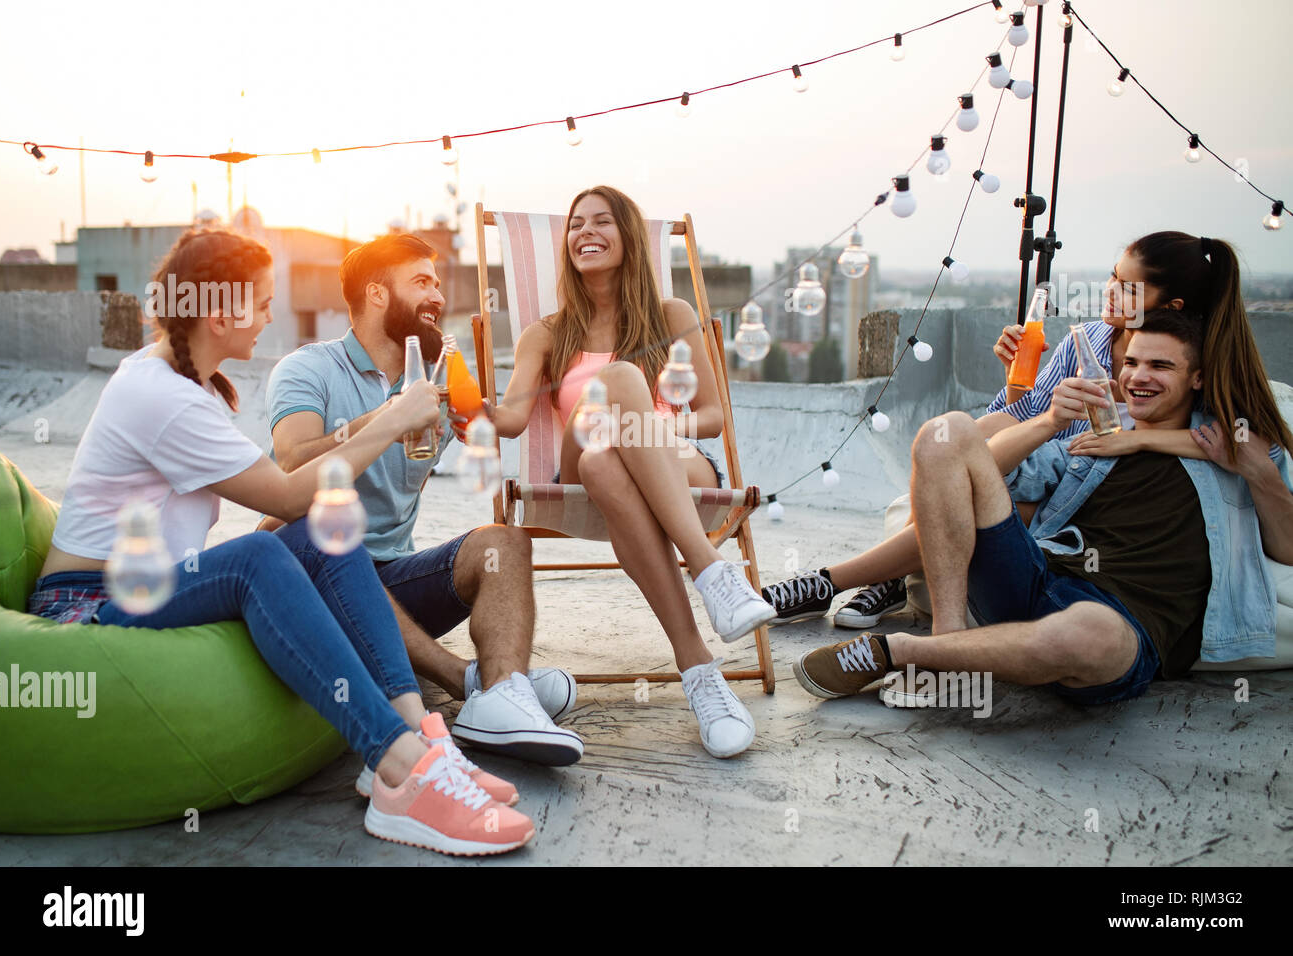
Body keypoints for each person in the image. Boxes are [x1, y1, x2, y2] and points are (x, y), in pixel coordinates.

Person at [27, 226, 534, 856]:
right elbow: (290, 490)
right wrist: (395, 417)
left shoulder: (190, 386)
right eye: (263, 301)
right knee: (262, 551)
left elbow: (303, 503)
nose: (272, 313)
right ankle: (399, 767)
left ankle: (417, 741)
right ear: (219, 312)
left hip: (148, 582)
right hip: (87, 602)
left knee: (322, 529)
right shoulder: (161, 395)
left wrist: (398, 413)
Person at [762, 232, 1293, 629]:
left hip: (1093, 490)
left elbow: (1245, 441)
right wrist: (1014, 380)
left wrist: (1138, 437)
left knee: (995, 500)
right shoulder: (1086, 340)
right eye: (1111, 276)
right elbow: (1019, 414)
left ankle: (849, 580)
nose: (1109, 292)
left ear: (1170, 306)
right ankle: (872, 580)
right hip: (1055, 464)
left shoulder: (1189, 361)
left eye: (1127, 287)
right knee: (963, 443)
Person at [793, 310, 1293, 704]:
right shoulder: (1099, 434)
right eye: (1132, 363)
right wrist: (1051, 419)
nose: (1139, 377)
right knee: (944, 434)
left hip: (1124, 623)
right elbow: (978, 471)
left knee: (1089, 632)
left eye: (1160, 366)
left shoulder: (1236, 448)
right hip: (1036, 576)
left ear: (1199, 378)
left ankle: (908, 653)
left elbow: (1287, 547)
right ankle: (948, 649)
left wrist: (1260, 473)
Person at [478, 185, 776, 759]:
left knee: (606, 463)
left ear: (629, 237)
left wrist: (659, 433)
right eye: (576, 225)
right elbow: (513, 417)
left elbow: (712, 416)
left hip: (667, 462)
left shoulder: (672, 315)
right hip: (576, 458)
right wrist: (479, 410)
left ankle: (700, 674)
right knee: (613, 392)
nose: (585, 232)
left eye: (602, 222)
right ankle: (713, 573)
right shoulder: (546, 332)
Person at [265, 233, 582, 767]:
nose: (436, 294)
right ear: (377, 294)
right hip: (316, 578)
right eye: (420, 282)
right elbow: (294, 461)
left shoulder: (440, 378)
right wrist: (388, 419)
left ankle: (501, 694)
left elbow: (499, 425)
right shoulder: (308, 369)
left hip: (395, 584)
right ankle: (470, 681)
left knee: (503, 543)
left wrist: (561, 370)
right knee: (336, 548)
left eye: (436, 283)